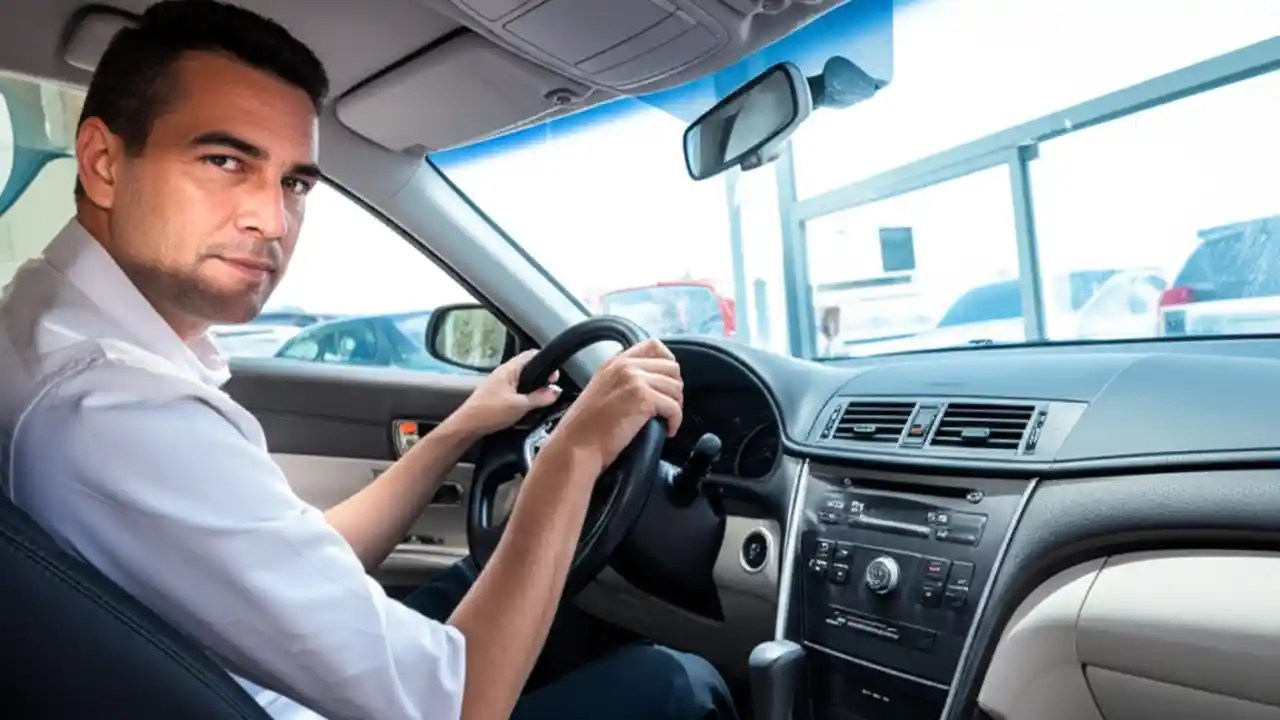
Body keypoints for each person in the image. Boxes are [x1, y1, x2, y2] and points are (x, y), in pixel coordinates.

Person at [0, 2, 737, 719]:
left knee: (510, 584)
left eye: (293, 182)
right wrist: (570, 459)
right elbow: (457, 703)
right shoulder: (118, 412)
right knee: (677, 684)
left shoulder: (49, 328)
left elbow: (302, 557)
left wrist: (459, 429)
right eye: (224, 160)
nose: (271, 218)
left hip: (248, 681)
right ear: (102, 161)